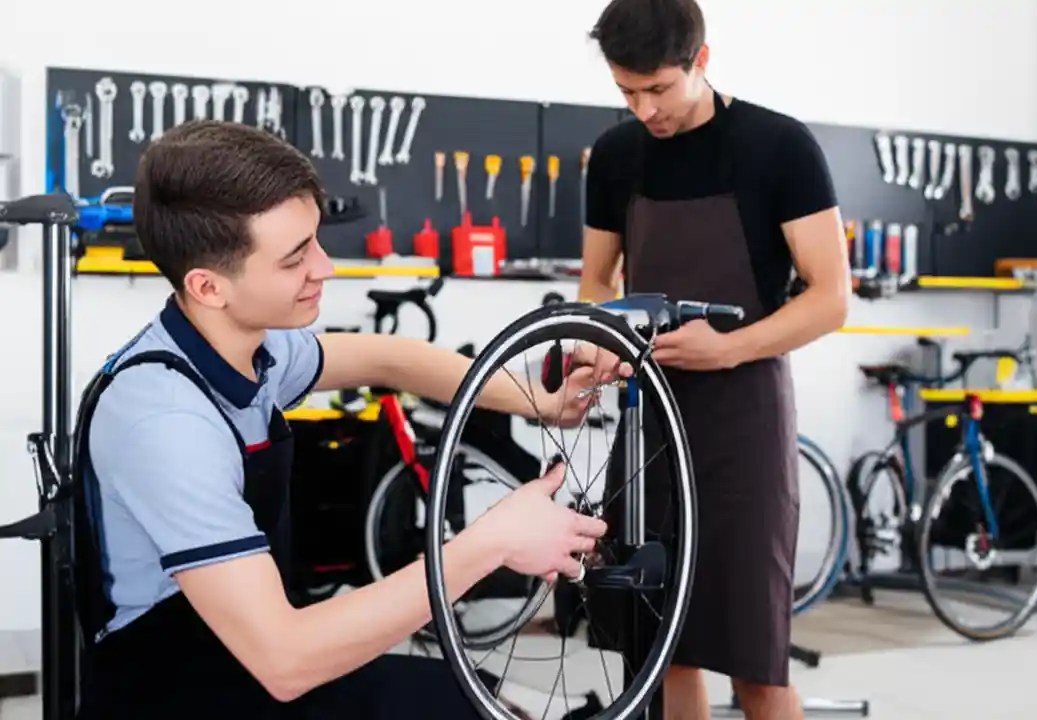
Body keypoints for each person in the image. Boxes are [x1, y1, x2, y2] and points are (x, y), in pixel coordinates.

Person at [73, 120, 620, 719]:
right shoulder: (166, 420)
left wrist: (531, 399)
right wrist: (489, 544)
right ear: (209, 286)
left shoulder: (246, 348)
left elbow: (386, 357)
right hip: (172, 691)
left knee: (464, 698)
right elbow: (286, 660)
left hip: (238, 653)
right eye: (295, 258)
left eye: (315, 240)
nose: (326, 268)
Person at [579, 1, 851, 718]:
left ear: (702, 60)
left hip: (745, 420)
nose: (643, 110)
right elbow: (596, 284)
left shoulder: (778, 148)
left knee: (756, 658)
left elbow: (830, 299)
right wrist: (595, 342)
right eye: (626, 93)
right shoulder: (615, 157)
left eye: (658, 90)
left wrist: (727, 348)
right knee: (663, 648)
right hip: (651, 423)